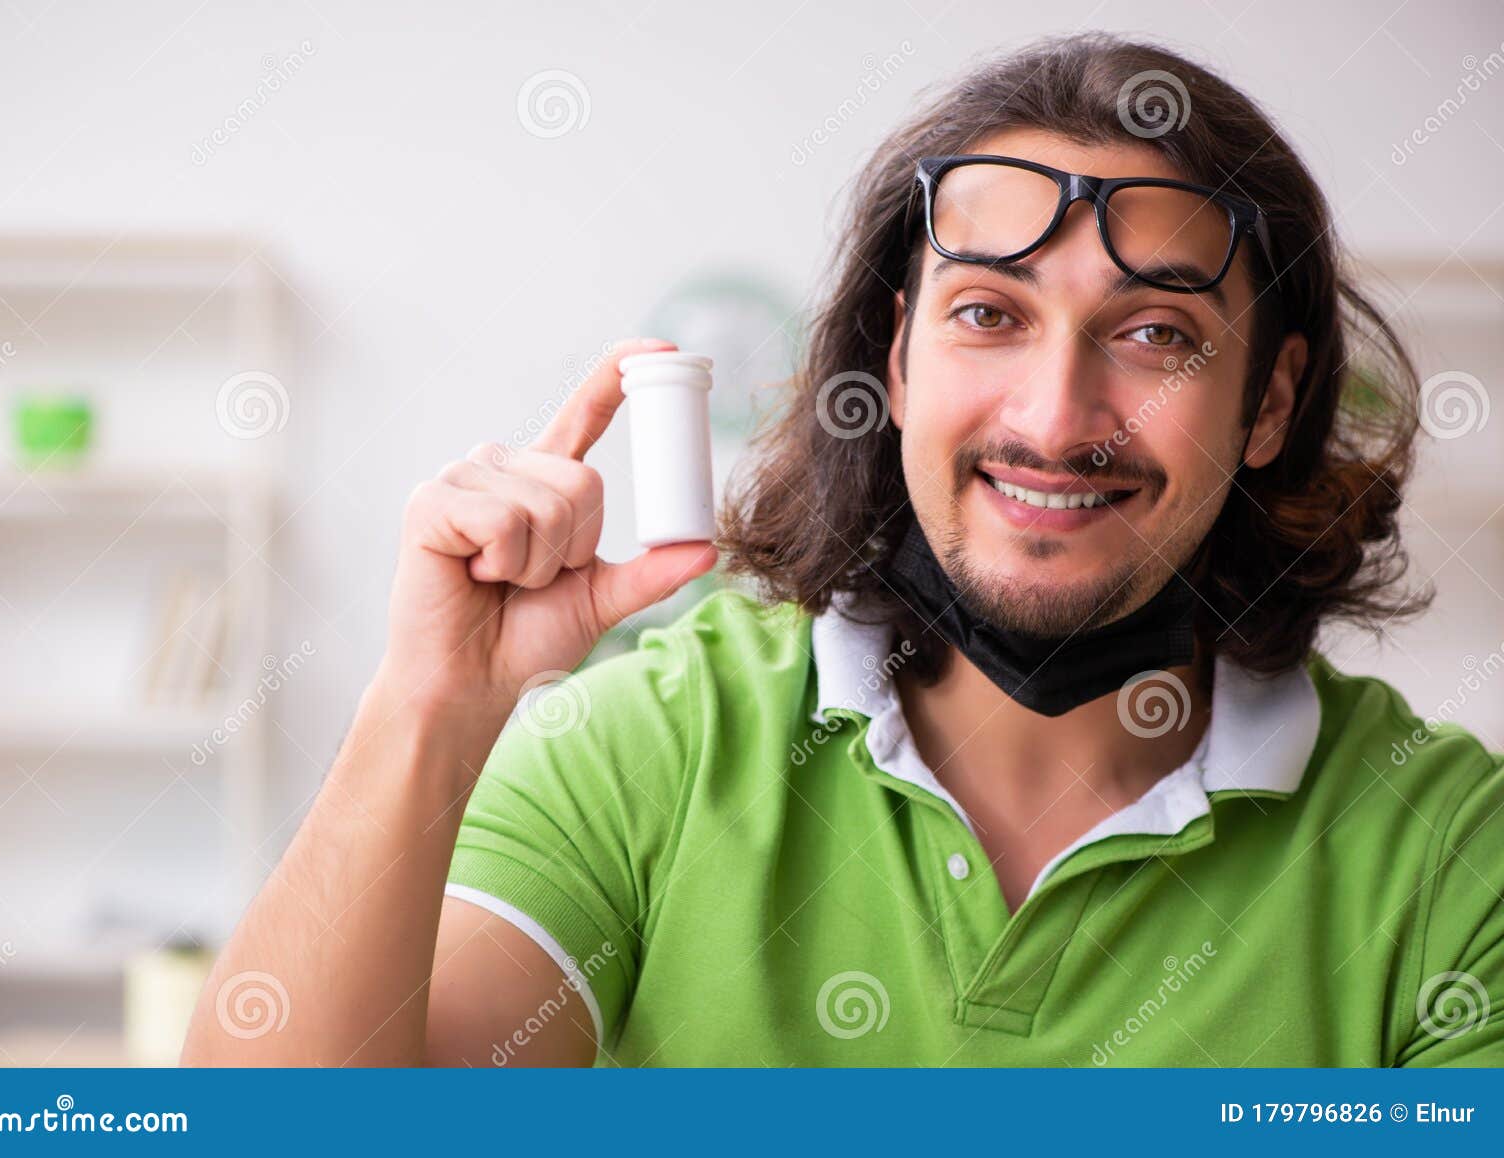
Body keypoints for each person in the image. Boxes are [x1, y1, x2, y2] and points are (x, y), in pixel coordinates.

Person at [182, 32, 1504, 1067]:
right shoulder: (660, 740)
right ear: (897, 356)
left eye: (1156, 333)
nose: (1053, 419)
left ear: (1268, 403)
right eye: (990, 312)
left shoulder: (1447, 852)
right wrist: (426, 709)